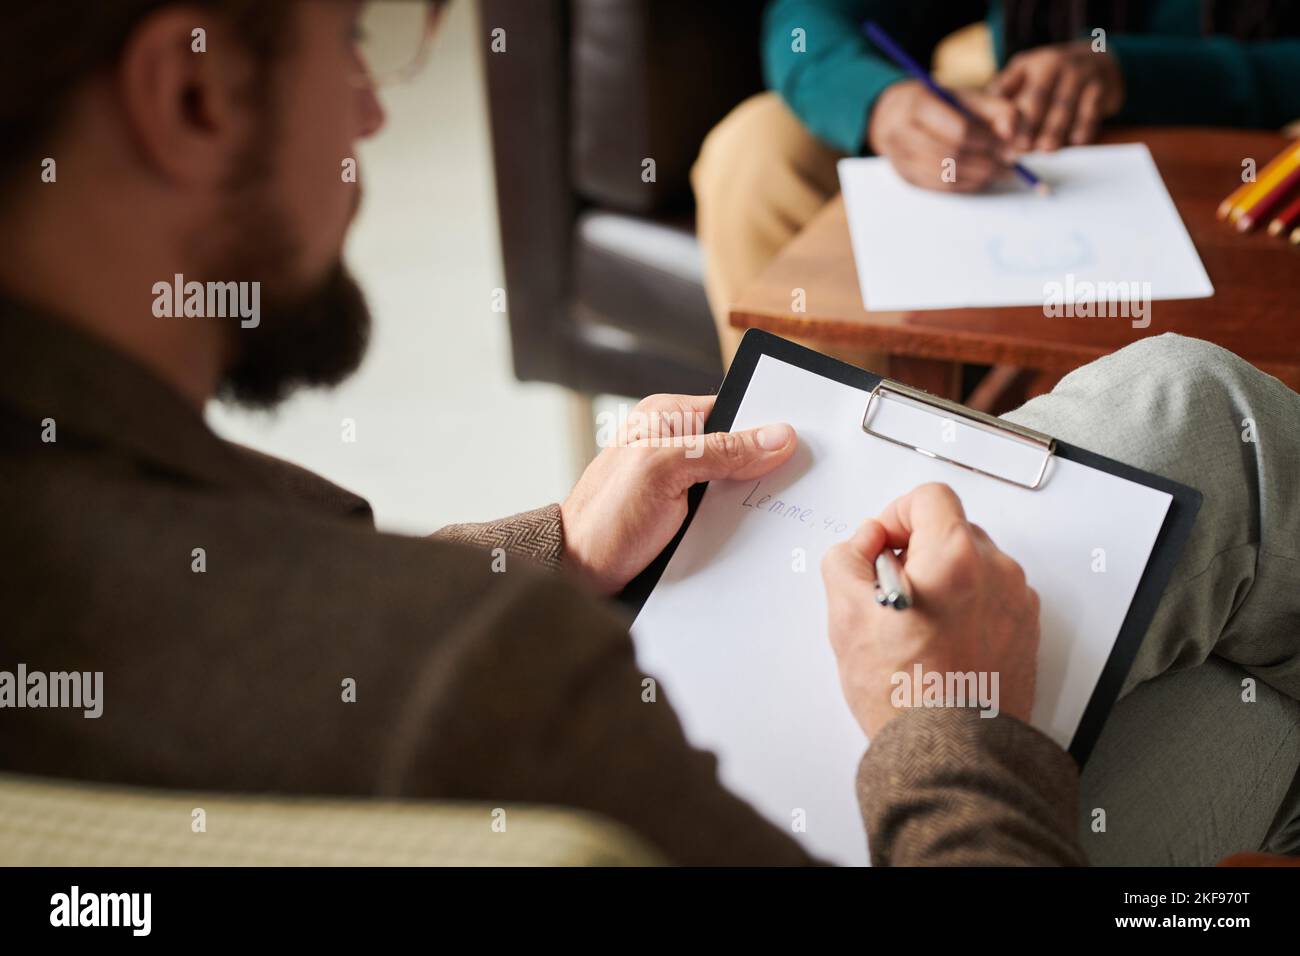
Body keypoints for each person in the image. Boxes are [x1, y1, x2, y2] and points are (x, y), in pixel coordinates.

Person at [0, 0, 1297, 867]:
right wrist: (949, 722)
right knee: (1205, 435)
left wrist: (556, 544)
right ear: (194, 96)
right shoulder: (483, 684)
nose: (373, 112)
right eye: (349, 43)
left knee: (1224, 609)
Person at [694, 0, 1300, 364]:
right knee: (756, 151)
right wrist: (879, 104)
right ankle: (815, 496)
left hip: (1264, 136)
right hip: (1031, 132)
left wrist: (1139, 73)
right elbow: (810, 16)